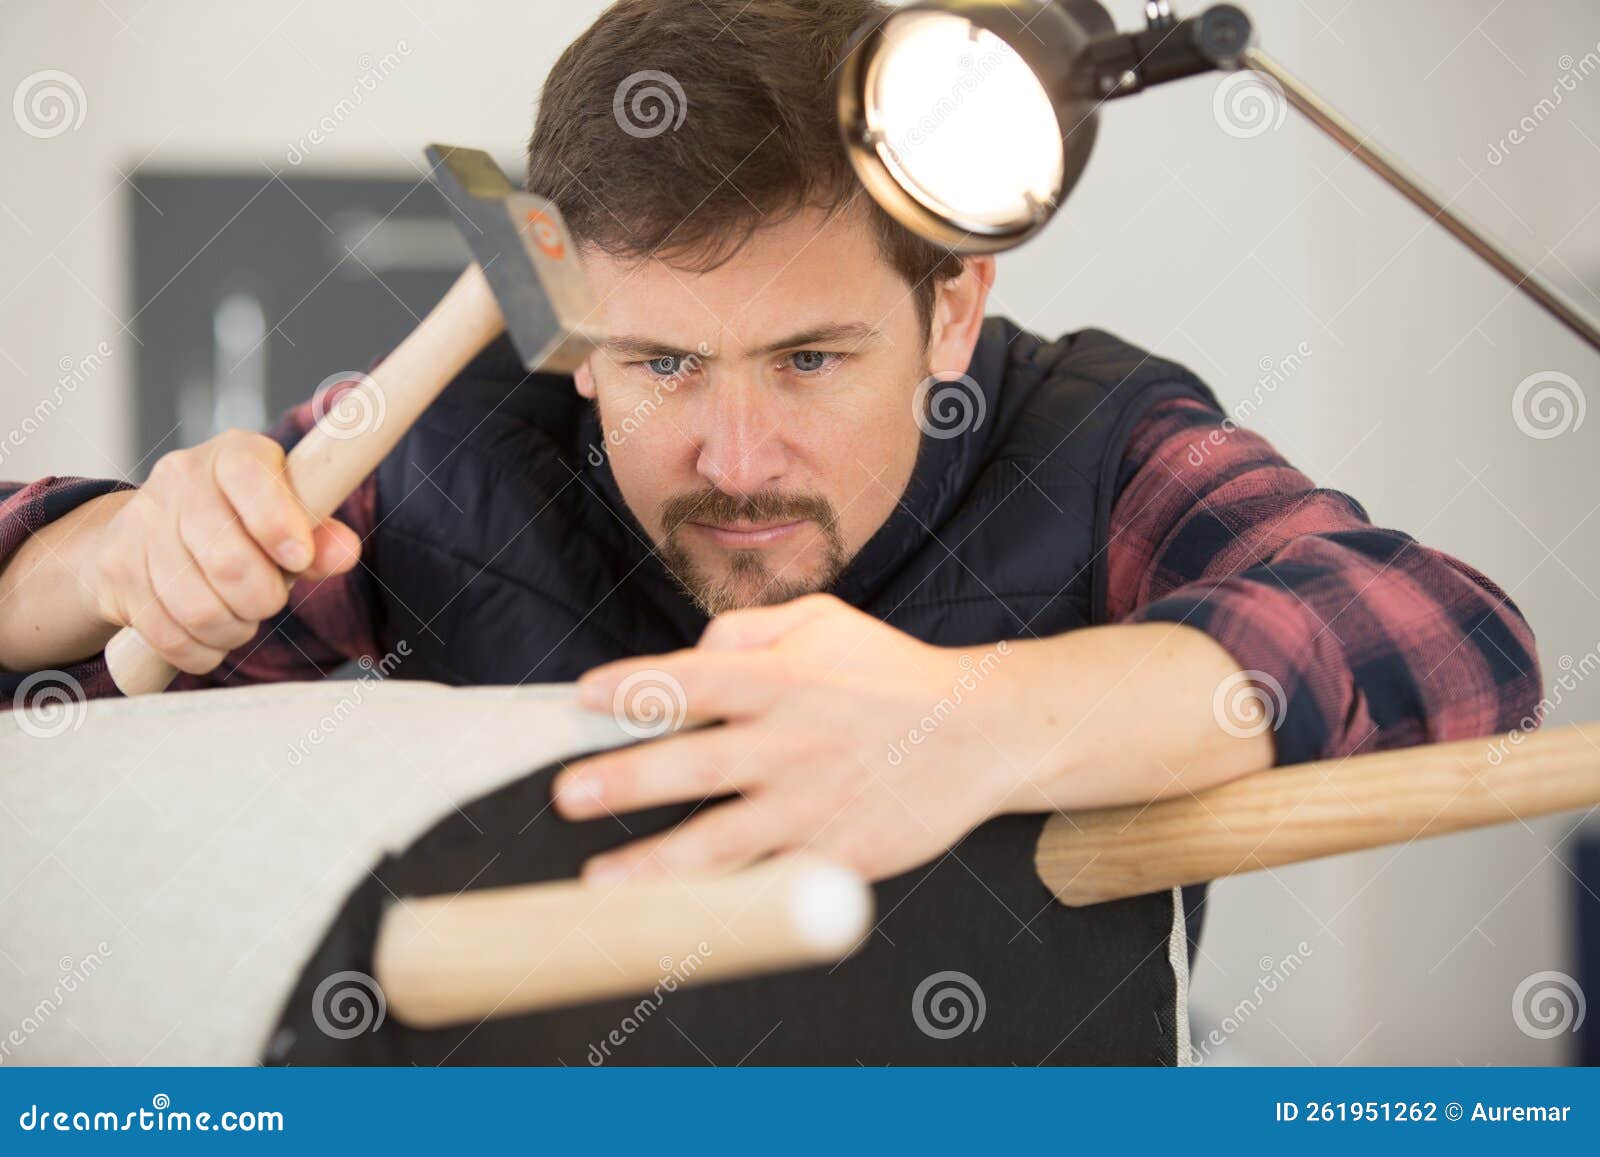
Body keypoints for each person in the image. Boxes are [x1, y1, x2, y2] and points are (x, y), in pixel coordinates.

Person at [0, 0, 1538, 894]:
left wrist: (982, 717)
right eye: (662, 360)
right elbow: (65, 698)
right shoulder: (432, 456)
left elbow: (1454, 640)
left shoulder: (1100, 439)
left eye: (811, 357)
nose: (738, 452)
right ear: (573, 322)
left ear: (953, 311)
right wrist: (108, 554)